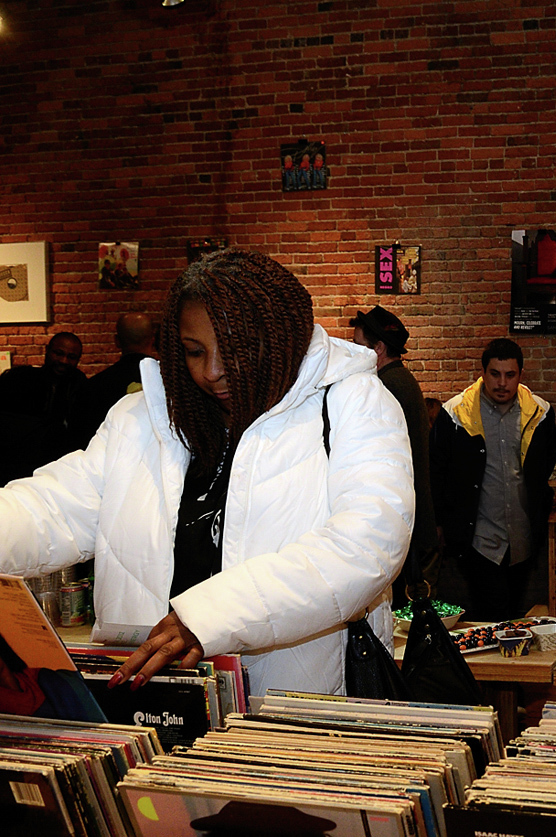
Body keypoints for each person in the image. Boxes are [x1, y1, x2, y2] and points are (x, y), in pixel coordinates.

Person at [0, 249, 414, 696]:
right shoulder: (143, 417)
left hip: (289, 700)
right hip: (154, 699)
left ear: (282, 338)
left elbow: (367, 544)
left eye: (235, 350)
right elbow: (55, 508)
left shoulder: (354, 403)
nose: (212, 371)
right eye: (194, 351)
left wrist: (210, 616)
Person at [430, 338, 556, 621]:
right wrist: (441, 521)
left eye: (509, 375)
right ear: (483, 373)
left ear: (520, 374)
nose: (502, 383)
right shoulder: (456, 413)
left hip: (523, 536)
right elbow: (437, 470)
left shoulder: (540, 412)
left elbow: (547, 460)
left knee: (515, 613)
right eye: (495, 374)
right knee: (491, 614)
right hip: (479, 538)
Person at [350, 304, 440, 607]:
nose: (353, 353)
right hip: (411, 520)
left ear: (378, 348)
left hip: (404, 525)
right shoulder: (398, 380)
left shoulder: (388, 386)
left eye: (358, 345)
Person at [0, 331, 86, 483]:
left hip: (57, 471)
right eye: (59, 353)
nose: (64, 361)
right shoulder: (19, 380)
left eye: (71, 357)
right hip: (14, 467)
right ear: (47, 350)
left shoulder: (81, 388)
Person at [71, 312, 156, 450]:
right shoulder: (170, 383)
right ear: (152, 339)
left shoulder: (94, 386)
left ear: (117, 341)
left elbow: (81, 438)